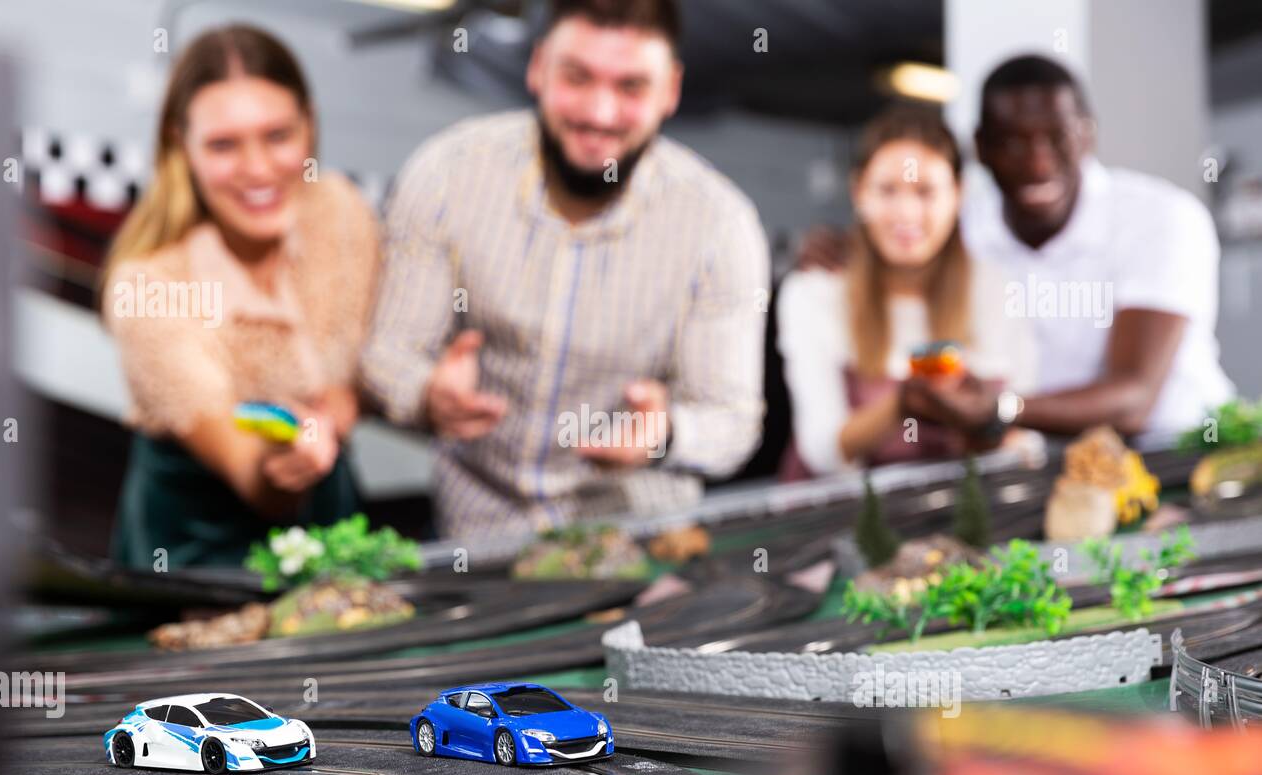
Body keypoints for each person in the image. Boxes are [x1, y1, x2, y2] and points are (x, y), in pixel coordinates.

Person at [362, 0, 769, 540]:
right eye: (577, 77)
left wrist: (664, 434)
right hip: (478, 536)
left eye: (631, 87)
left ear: (670, 90)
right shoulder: (446, 174)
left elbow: (733, 420)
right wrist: (424, 395)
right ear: (537, 68)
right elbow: (389, 355)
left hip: (637, 542)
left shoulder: (721, 226)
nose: (600, 114)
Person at [102, 25, 379, 569]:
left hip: (332, 531)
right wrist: (286, 462)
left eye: (278, 135)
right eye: (224, 145)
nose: (257, 169)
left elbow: (365, 372)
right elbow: (258, 481)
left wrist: (346, 408)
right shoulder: (150, 287)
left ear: (311, 124)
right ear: (182, 146)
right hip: (197, 563)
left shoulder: (342, 213)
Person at [898, 54, 1234, 444]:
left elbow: (1134, 399)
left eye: (1057, 137)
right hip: (1050, 460)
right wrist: (843, 253)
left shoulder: (1161, 217)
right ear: (982, 146)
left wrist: (1000, 408)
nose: (1038, 165)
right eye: (1012, 142)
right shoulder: (966, 228)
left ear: (1087, 135)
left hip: (1179, 450)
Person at [776, 106, 1034, 476]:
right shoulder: (813, 292)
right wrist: (902, 404)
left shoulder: (997, 289)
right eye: (887, 190)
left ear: (958, 194)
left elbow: (1022, 428)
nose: (906, 214)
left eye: (925, 191)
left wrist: (989, 423)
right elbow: (821, 453)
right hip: (839, 519)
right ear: (858, 193)